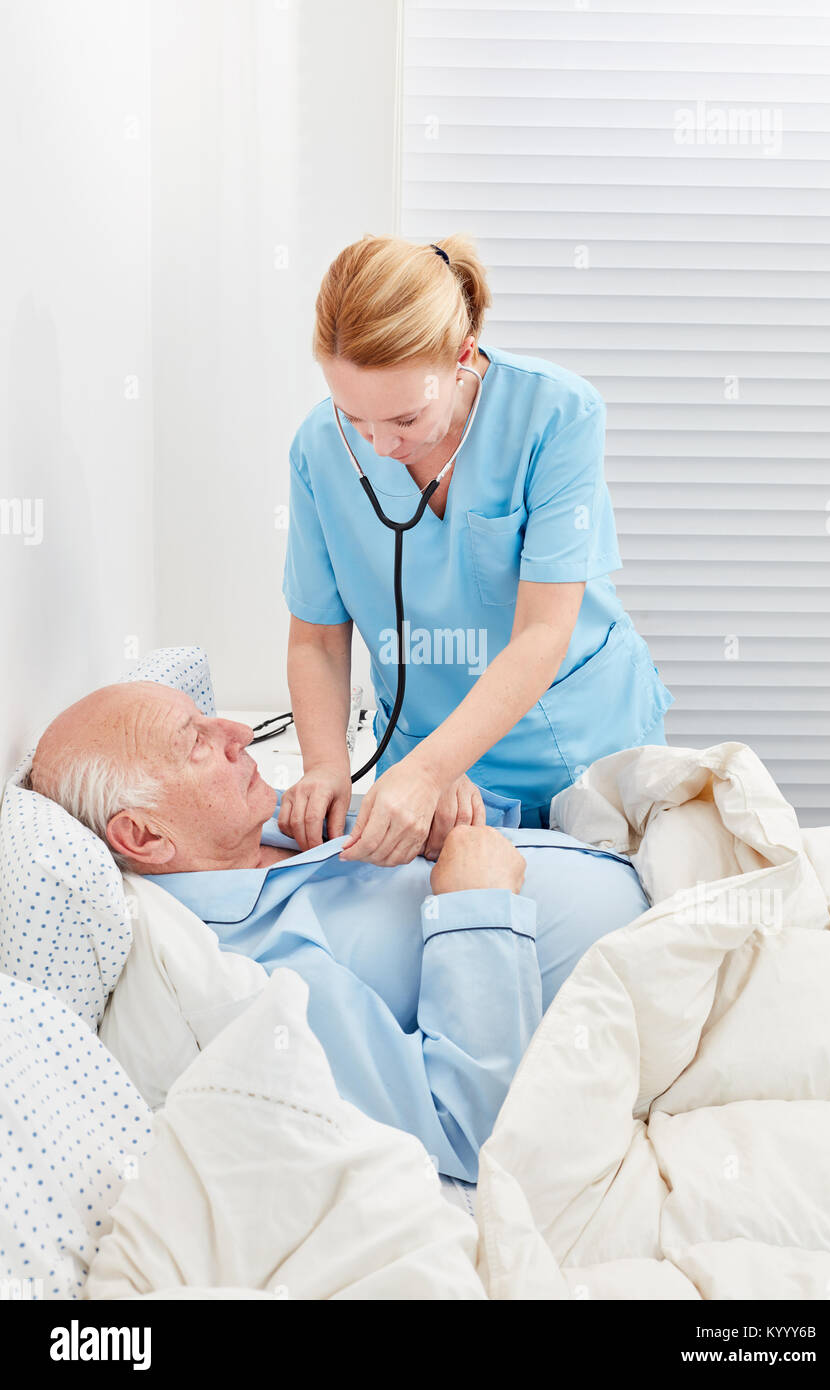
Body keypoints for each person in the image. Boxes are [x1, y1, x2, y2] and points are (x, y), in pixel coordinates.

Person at [29, 680, 650, 1183]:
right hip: (657, 993)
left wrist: (448, 811)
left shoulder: (261, 827)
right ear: (144, 837)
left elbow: (476, 840)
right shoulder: (259, 969)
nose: (240, 733)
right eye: (195, 741)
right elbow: (468, 1126)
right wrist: (477, 902)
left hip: (634, 856)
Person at [281, 232, 673, 868]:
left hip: (581, 745)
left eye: (405, 419)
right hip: (431, 770)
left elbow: (544, 631)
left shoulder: (555, 414)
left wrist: (431, 769)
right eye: (355, 416)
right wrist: (325, 765)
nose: (379, 444)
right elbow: (318, 638)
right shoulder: (317, 450)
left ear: (463, 355)